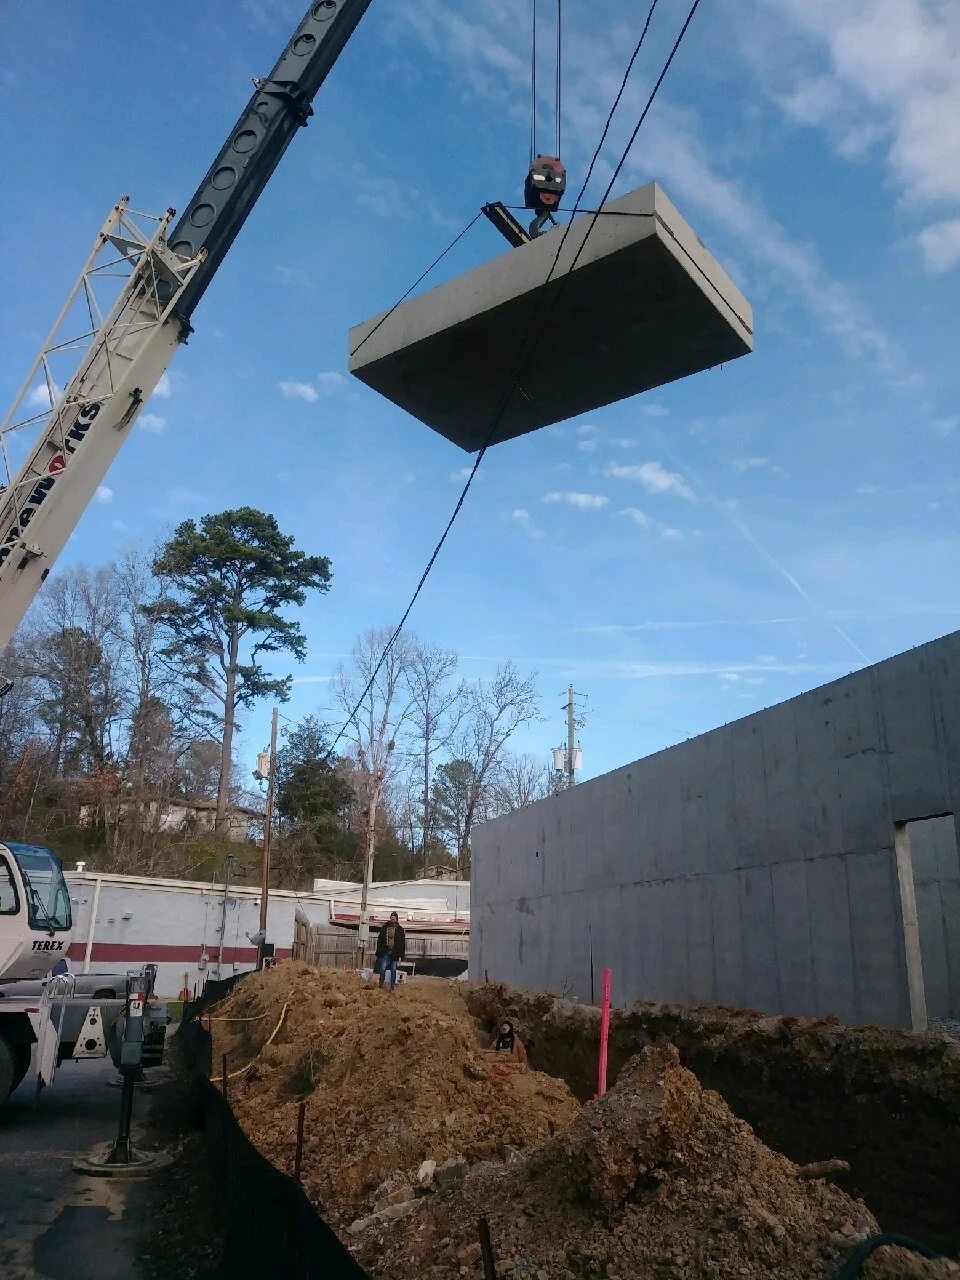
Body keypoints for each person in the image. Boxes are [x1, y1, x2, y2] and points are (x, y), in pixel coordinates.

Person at [374, 911, 406, 991]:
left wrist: (401, 956)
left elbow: (402, 943)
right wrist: (379, 951)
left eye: (394, 918)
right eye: (391, 918)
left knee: (393, 970)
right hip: (385, 952)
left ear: (396, 919)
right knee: (383, 969)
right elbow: (380, 940)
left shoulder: (400, 930)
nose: (392, 920)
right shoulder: (385, 928)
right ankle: (381, 985)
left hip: (395, 953)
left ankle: (392, 987)